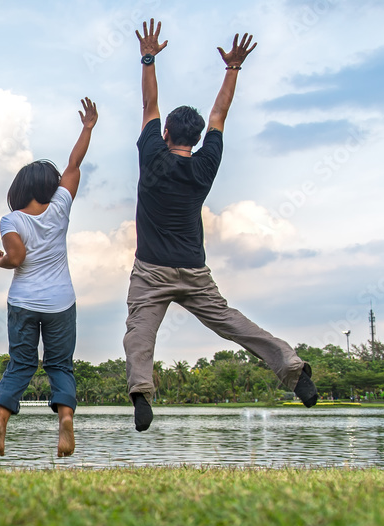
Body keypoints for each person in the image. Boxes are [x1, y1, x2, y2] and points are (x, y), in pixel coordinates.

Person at [124, 20, 318, 431]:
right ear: (194, 139)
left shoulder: (152, 157)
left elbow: (148, 105)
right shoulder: (206, 164)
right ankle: (293, 369)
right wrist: (232, 68)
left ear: (164, 134)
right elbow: (219, 113)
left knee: (139, 335)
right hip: (195, 271)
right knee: (234, 324)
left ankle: (142, 393)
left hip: (151, 271)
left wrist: (148, 58)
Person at [0, 98, 98, 459]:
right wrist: (87, 127)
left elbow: (17, 257)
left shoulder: (12, 220)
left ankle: (2, 419)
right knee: (59, 365)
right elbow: (74, 164)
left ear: (20, 188)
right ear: (49, 186)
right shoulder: (61, 206)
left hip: (22, 302)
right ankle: (65, 418)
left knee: (21, 364)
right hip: (60, 302)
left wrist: (0, 262)